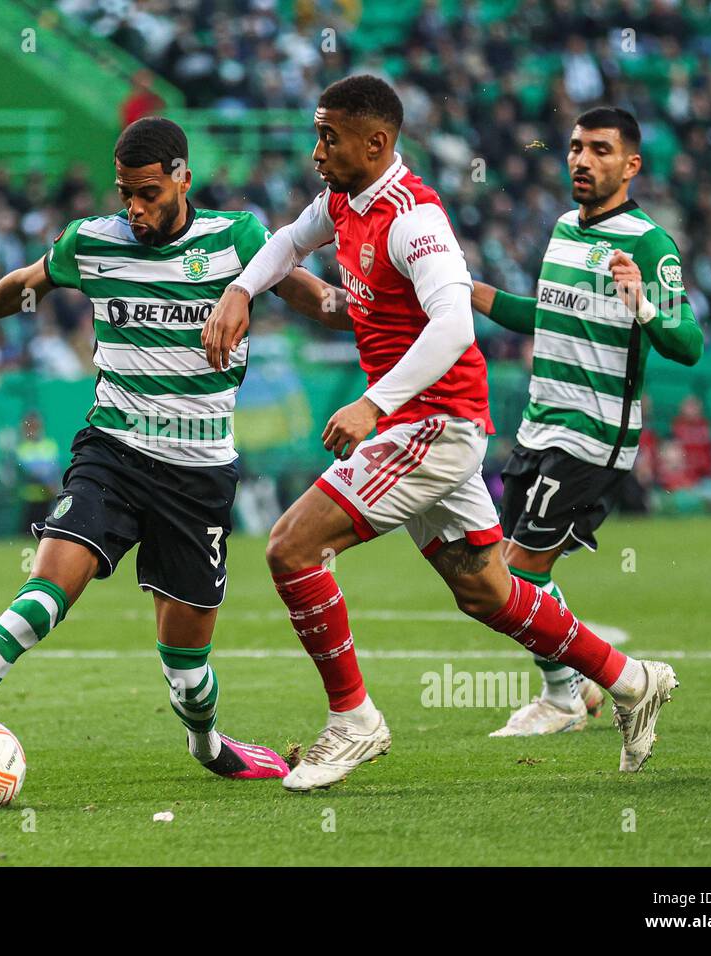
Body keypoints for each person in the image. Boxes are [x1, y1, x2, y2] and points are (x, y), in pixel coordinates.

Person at [0, 117, 350, 802]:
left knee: (187, 667)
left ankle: (210, 745)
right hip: (113, 452)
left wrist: (390, 310)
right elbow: (26, 282)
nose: (133, 209)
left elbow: (317, 299)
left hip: (198, 476)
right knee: (40, 599)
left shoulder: (237, 240)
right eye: (124, 194)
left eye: (147, 194)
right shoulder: (94, 242)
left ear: (181, 177)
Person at [204, 77, 680, 790]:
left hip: (434, 422)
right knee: (487, 591)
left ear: (377, 143)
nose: (315, 150)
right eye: (317, 132)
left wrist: (373, 403)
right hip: (422, 424)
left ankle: (354, 721)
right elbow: (287, 241)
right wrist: (241, 288)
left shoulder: (415, 219)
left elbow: (454, 326)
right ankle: (632, 680)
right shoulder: (343, 198)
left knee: (291, 547)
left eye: (329, 137)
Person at [471, 106, 703, 736]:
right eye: (575, 147)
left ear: (630, 165)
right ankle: (580, 690)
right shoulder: (564, 230)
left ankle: (574, 693)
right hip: (538, 428)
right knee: (516, 569)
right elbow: (544, 315)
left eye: (600, 149)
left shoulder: (649, 242)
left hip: (592, 435)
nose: (581, 159)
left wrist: (644, 305)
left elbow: (688, 342)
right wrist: (465, 290)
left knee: (515, 572)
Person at [13, 411, 60, 533]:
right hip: (28, 499)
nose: (33, 430)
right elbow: (28, 472)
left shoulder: (49, 444)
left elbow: (55, 469)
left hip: (47, 498)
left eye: (35, 426)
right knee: (27, 534)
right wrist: (47, 481)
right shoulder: (21, 447)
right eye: (30, 426)